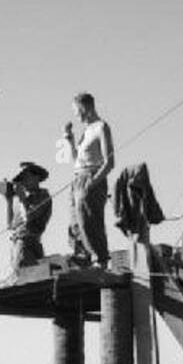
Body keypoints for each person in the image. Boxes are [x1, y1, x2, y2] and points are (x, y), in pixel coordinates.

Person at [62, 92, 114, 267]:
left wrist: (93, 182)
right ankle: (83, 255)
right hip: (78, 177)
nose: (76, 115)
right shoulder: (86, 131)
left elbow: (109, 162)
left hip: (92, 176)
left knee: (89, 219)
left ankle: (100, 258)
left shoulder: (101, 127)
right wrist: (70, 139)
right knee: (75, 220)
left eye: (77, 110)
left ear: (85, 107)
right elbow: (76, 160)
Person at [0, 161, 53, 277]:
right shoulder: (23, 200)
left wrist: (22, 199)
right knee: (19, 277)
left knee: (27, 278)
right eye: (22, 179)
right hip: (17, 244)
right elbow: (11, 225)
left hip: (29, 243)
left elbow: (28, 218)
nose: (23, 182)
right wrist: (9, 201)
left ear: (37, 177)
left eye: (26, 177)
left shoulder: (43, 195)